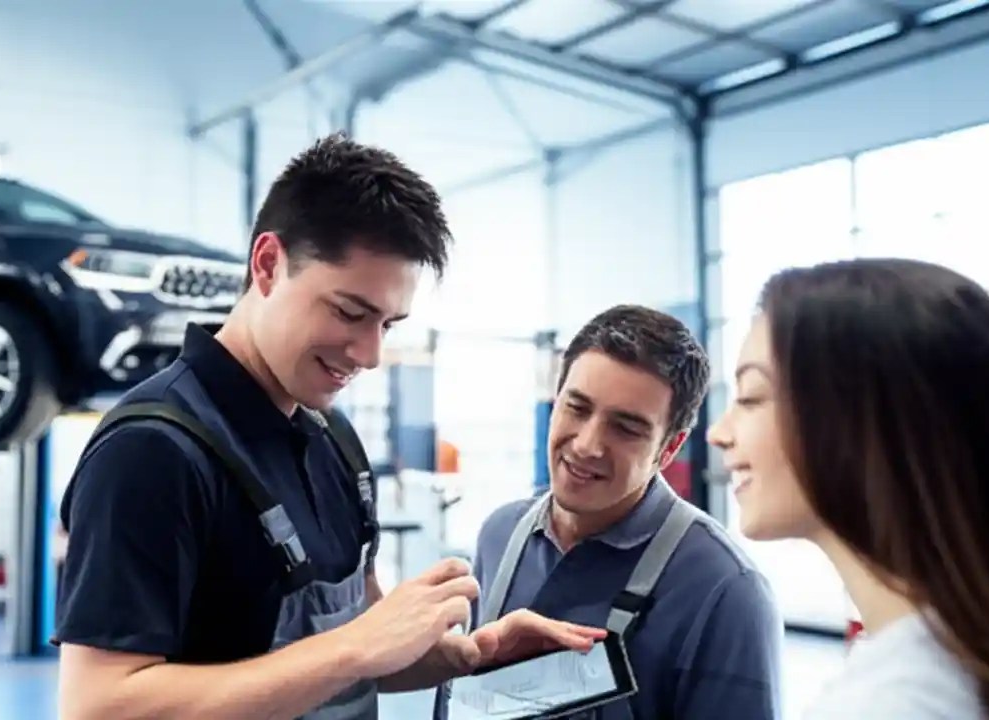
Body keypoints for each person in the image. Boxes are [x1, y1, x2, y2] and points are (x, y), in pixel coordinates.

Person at [52, 133, 603, 720]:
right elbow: (98, 706)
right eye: (349, 312)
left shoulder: (333, 444)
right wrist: (352, 648)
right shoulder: (153, 453)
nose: (368, 354)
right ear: (268, 263)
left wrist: (465, 654)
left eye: (388, 325)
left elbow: (359, 656)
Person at [708, 257, 989, 720]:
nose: (719, 432)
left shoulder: (894, 701)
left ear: (859, 424)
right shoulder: (972, 658)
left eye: (750, 397)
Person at [438, 305, 784, 720]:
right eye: (577, 408)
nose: (587, 445)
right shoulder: (500, 536)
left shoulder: (724, 590)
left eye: (625, 428)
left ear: (669, 448)